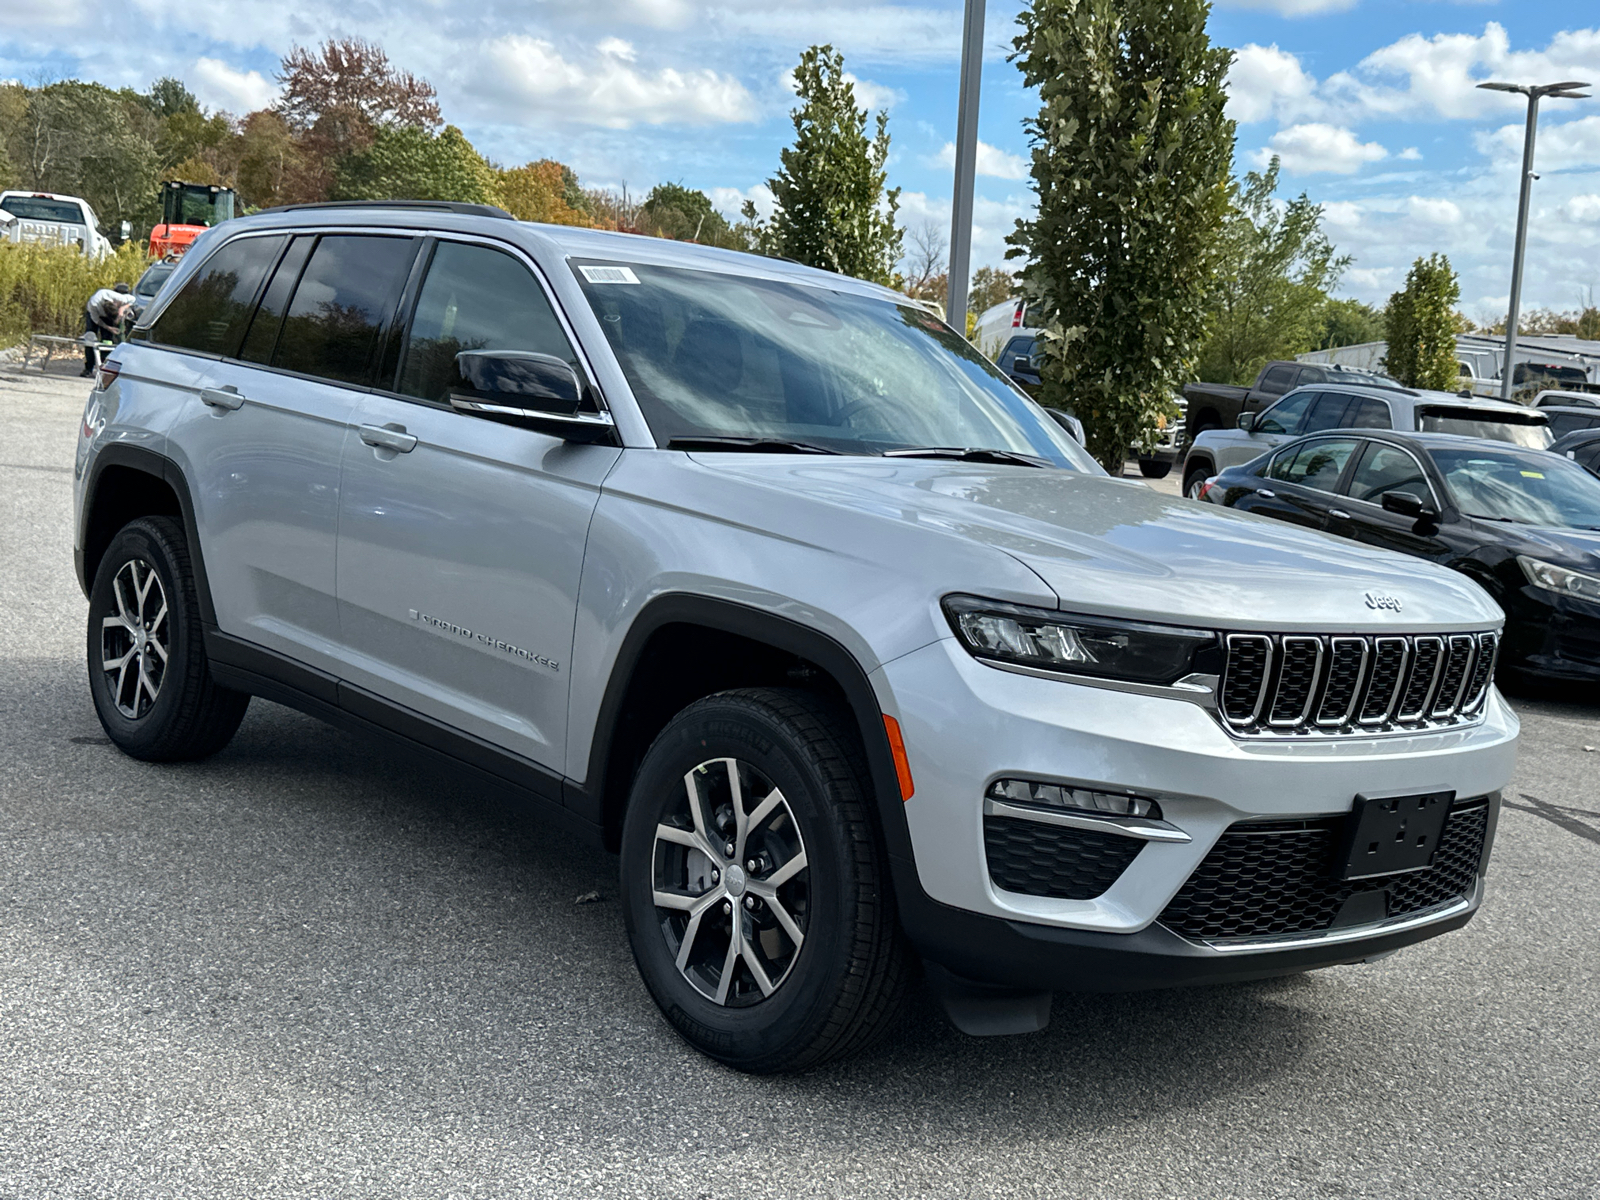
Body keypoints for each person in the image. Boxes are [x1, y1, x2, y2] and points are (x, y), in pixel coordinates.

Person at [82, 283, 133, 377]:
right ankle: (88, 368)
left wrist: (122, 309)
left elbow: (133, 299)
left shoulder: (119, 298)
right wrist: (108, 327)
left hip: (111, 312)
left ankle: (105, 367)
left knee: (107, 340)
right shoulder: (94, 305)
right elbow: (96, 320)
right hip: (93, 315)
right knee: (90, 337)